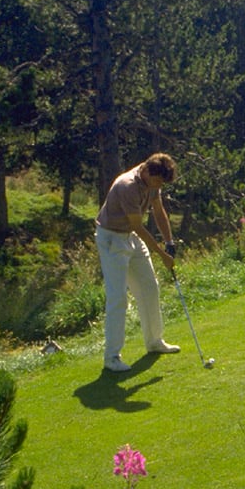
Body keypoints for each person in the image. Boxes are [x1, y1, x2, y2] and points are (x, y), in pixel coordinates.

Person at [95, 153, 182, 372]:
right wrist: (162, 255)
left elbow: (158, 209)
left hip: (130, 237)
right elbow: (137, 226)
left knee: (149, 287)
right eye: (158, 182)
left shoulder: (153, 181)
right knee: (118, 298)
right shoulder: (127, 186)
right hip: (112, 238)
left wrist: (169, 242)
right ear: (147, 172)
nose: (159, 186)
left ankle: (154, 341)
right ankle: (112, 357)